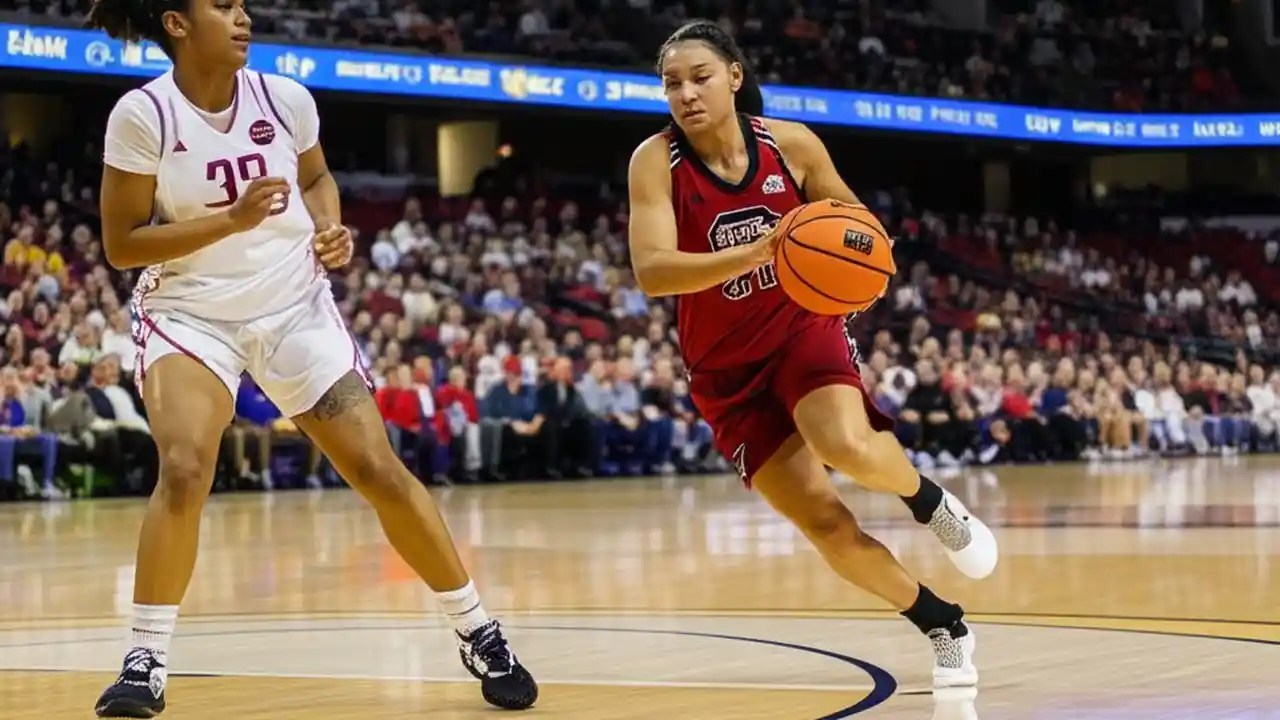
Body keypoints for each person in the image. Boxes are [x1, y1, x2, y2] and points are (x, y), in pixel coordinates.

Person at [84, 0, 537, 716]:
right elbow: (122, 245)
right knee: (184, 468)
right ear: (176, 23)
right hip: (191, 311)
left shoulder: (286, 97)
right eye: (223, 5)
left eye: (243, 6)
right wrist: (229, 222)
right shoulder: (143, 116)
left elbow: (318, 179)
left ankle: (479, 629)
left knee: (378, 469)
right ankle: (146, 661)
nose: (243, 17)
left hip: (293, 304)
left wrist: (330, 226)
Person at [627, 19, 998, 689]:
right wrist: (756, 251)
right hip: (724, 372)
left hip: (801, 331)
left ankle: (929, 500)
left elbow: (861, 231)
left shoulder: (791, 146)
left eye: (700, 77)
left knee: (847, 444)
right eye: (672, 83)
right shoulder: (655, 161)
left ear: (734, 77)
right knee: (825, 523)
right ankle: (943, 622)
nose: (685, 94)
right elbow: (652, 271)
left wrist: (853, 266)